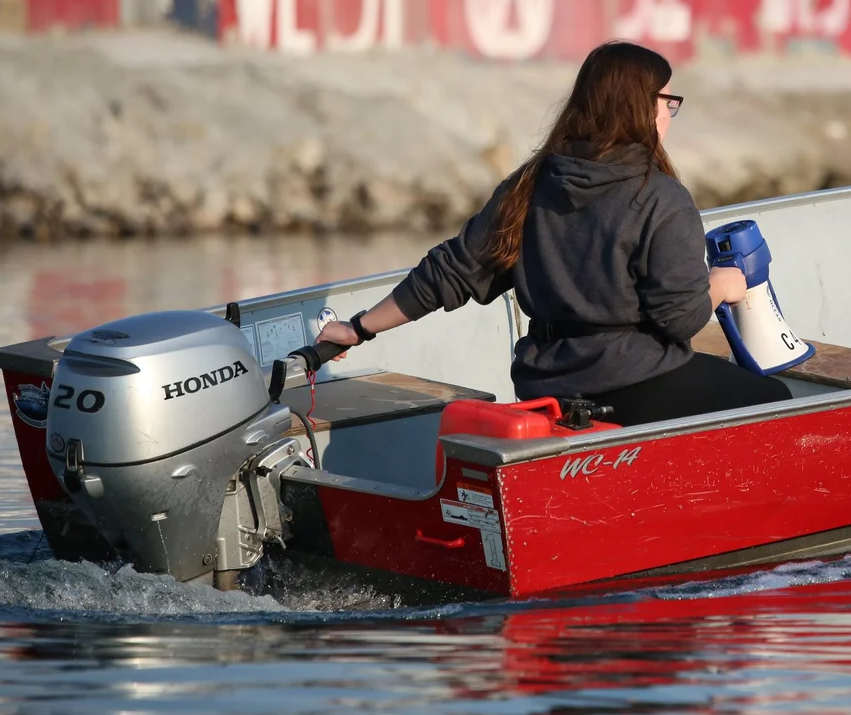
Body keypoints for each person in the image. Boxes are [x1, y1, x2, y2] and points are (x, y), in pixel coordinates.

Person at [317, 41, 792, 426]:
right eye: (667, 101)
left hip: (545, 384)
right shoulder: (661, 198)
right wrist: (724, 284)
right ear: (639, 108)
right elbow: (681, 320)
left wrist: (358, 329)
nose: (669, 113)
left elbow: (451, 272)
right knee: (777, 399)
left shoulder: (530, 184)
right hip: (632, 384)